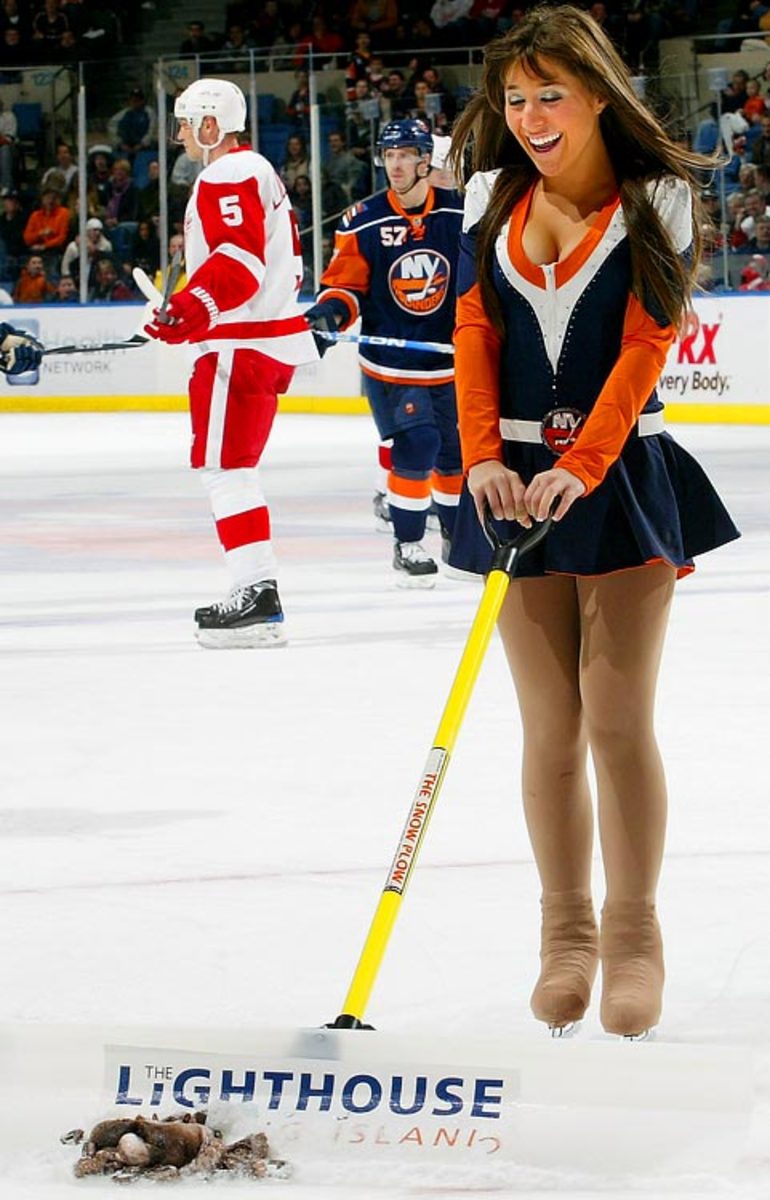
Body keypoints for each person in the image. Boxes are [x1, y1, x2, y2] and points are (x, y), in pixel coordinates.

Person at [446, 5, 739, 1037]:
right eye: (513, 99)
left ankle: (631, 939)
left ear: (599, 94)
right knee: (548, 730)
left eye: (549, 96)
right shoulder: (488, 195)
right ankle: (562, 936)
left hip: (616, 476)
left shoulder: (655, 196)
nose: (527, 117)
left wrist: (578, 464)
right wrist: (481, 454)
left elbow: (643, 346)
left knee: (615, 721)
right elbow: (474, 328)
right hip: (509, 480)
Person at [143, 78, 317, 648]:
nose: (182, 135)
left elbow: (239, 261)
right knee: (233, 467)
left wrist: (192, 308)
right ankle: (256, 590)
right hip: (258, 341)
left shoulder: (228, 172)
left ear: (213, 124)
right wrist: (191, 312)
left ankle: (256, 594)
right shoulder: (250, 172)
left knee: (229, 470)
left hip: (239, 345)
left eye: (189, 123)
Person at [305, 118, 465, 586]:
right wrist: (328, 315)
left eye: (404, 156)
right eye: (388, 156)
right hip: (393, 364)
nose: (394, 165)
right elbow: (345, 286)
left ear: (424, 161)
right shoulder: (364, 219)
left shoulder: (460, 214)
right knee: (418, 444)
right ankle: (408, 543)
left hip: (450, 361)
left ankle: (458, 540)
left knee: (454, 457)